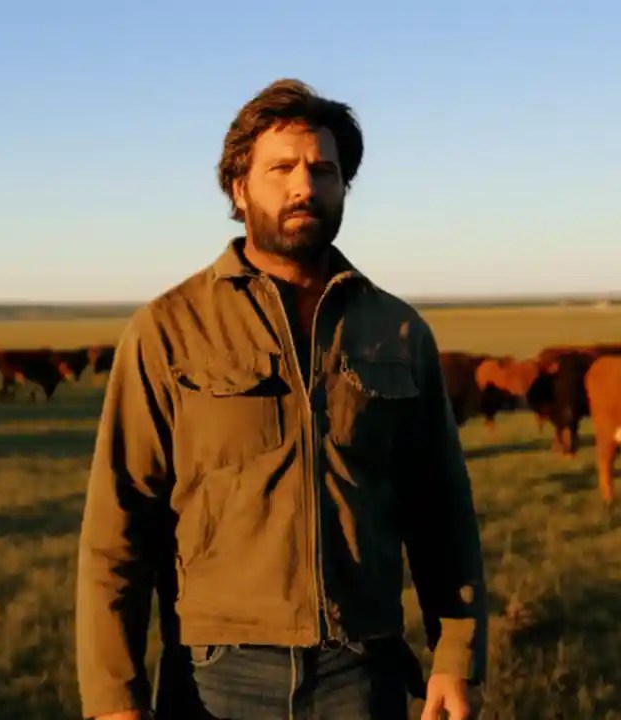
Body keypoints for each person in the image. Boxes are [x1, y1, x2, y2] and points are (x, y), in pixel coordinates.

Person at [75, 78, 487, 720]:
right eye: (281, 168)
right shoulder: (170, 328)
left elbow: (441, 510)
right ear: (239, 188)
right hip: (217, 675)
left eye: (324, 171)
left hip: (362, 667)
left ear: (344, 187)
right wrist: (113, 700)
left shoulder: (397, 331)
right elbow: (118, 525)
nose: (304, 186)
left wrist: (456, 656)